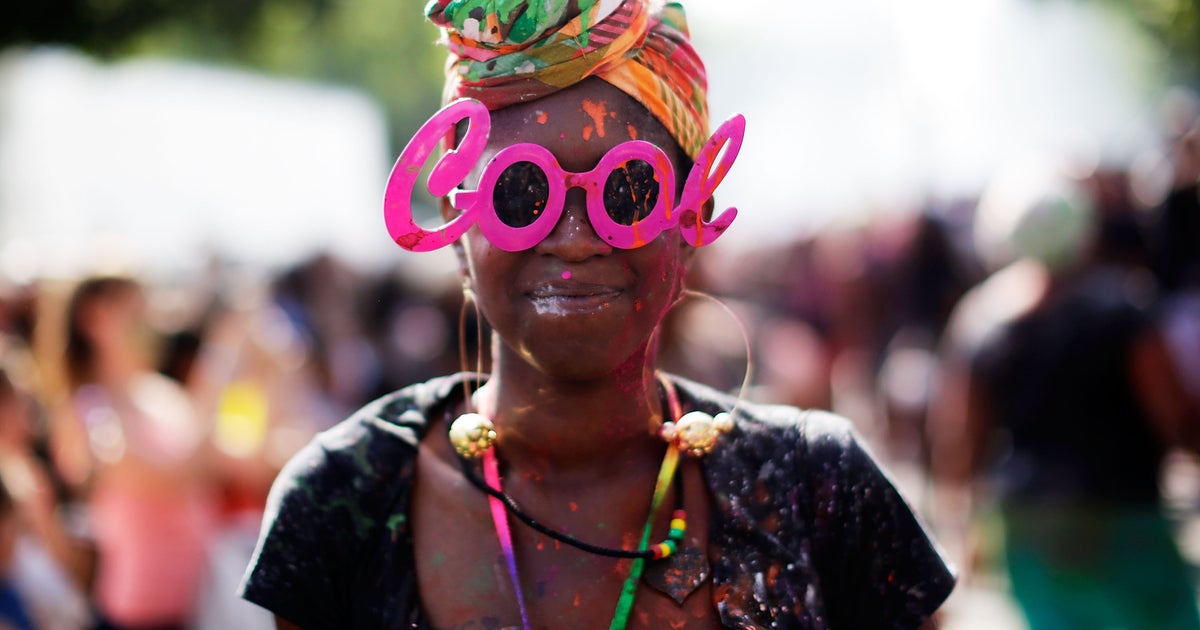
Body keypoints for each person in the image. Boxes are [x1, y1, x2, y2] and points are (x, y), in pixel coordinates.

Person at [240, 2, 955, 628]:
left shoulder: (823, 490)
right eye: (521, 193)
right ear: (458, 228)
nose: (576, 239)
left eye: (630, 190)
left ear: (692, 220)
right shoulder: (343, 502)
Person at [930, 165, 1200, 629]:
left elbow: (960, 444)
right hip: (1125, 519)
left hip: (1032, 532)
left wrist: (960, 528)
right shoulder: (1122, 306)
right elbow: (1177, 417)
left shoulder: (981, 320)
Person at [49, 276, 217, 630]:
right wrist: (221, 367)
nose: (147, 321)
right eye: (132, 310)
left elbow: (224, 464)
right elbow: (168, 478)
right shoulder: (87, 409)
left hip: (199, 606)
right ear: (92, 317)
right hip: (137, 612)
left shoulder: (165, 393)